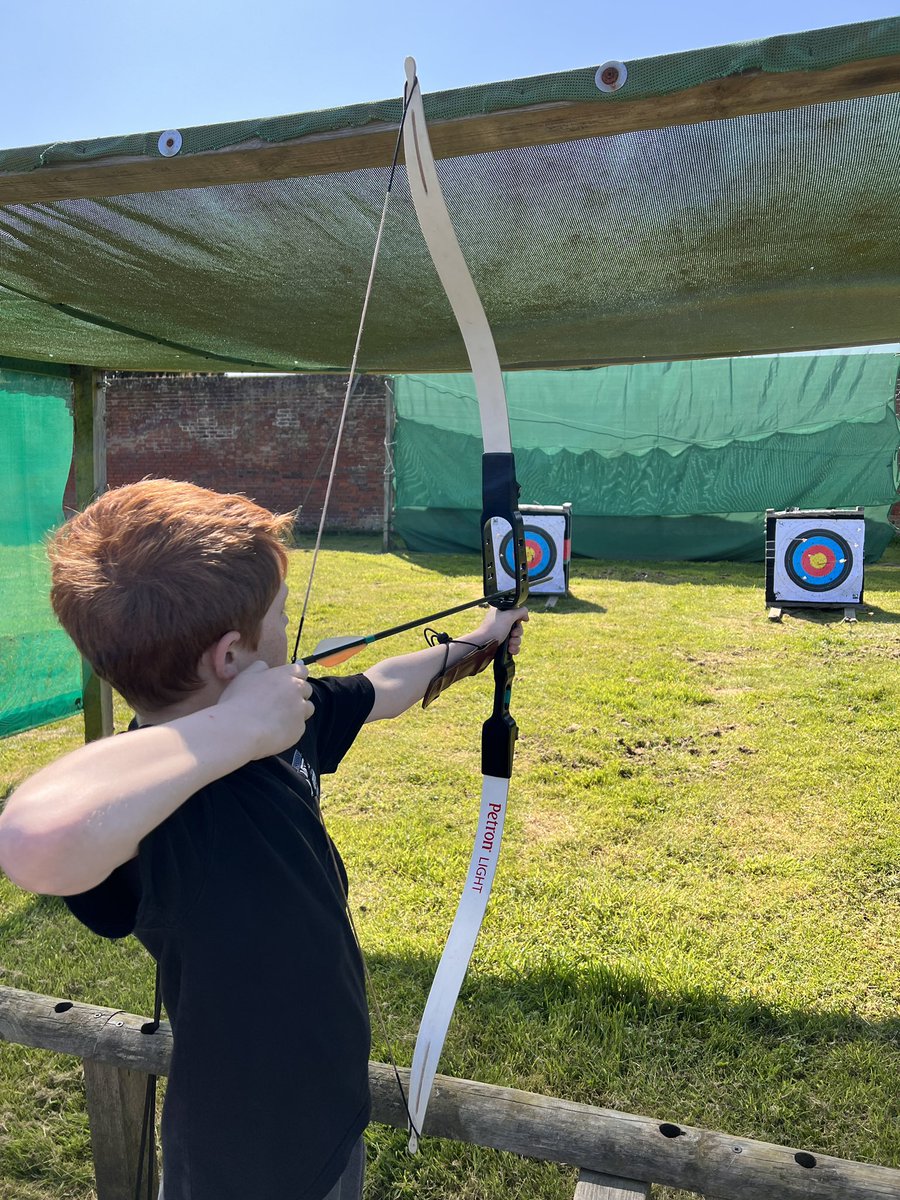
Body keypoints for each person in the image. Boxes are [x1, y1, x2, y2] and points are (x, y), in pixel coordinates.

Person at [0, 479, 526, 1200]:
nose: (293, 630)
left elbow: (381, 686)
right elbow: (31, 836)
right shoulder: (156, 799)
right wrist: (241, 730)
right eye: (281, 615)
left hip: (326, 1111)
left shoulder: (283, 711)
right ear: (228, 659)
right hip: (238, 1156)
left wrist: (474, 646)